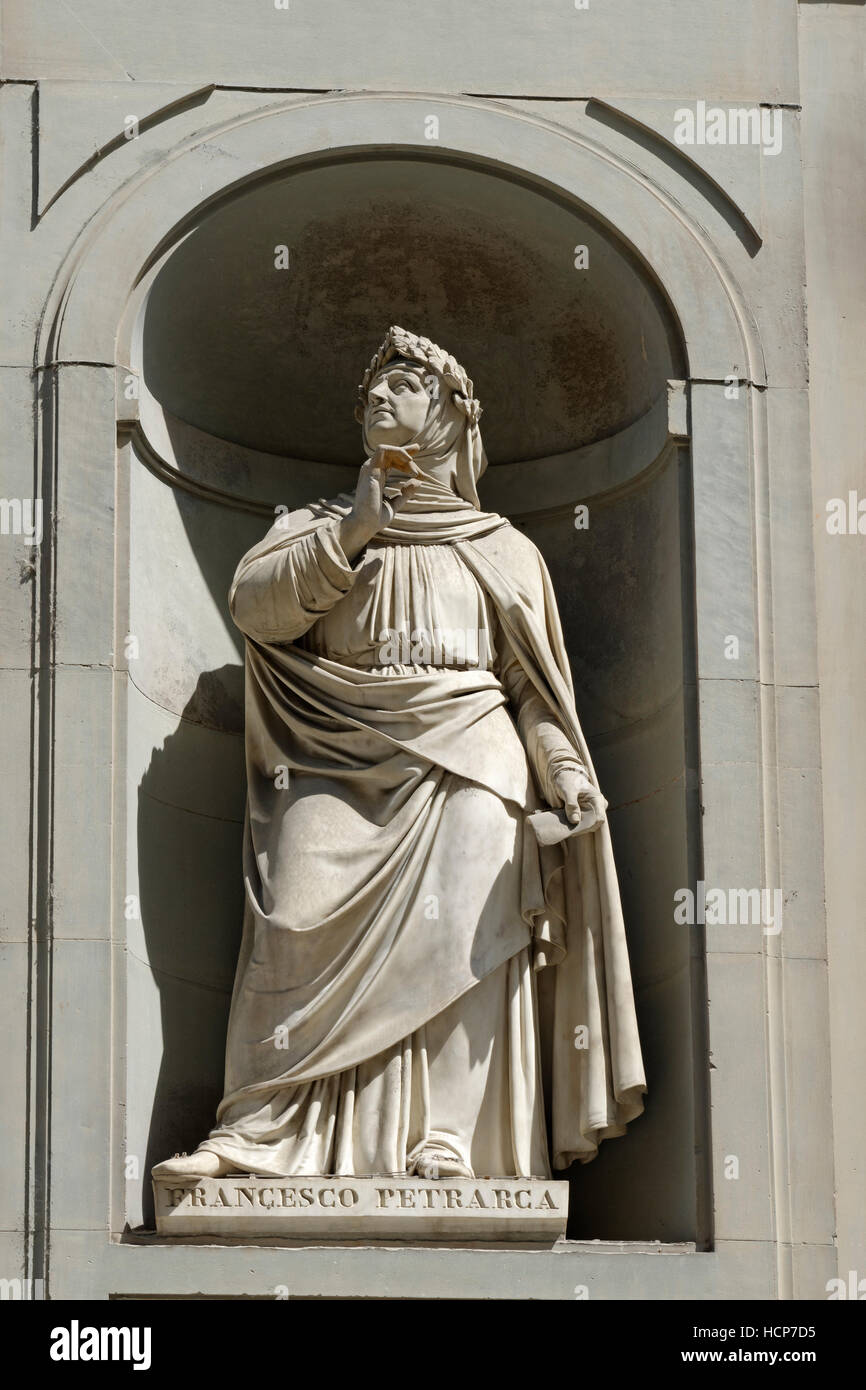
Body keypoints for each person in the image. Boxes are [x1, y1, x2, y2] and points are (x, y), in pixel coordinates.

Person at [153, 326, 645, 1183]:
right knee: (293, 914)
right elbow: (257, 611)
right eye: (372, 389)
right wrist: (353, 531)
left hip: (474, 754)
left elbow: (532, 690)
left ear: (452, 415)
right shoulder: (313, 524)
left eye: (405, 383)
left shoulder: (505, 550)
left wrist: (566, 774)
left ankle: (451, 1136)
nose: (380, 396)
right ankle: (267, 1129)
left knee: (470, 931)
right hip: (335, 754)